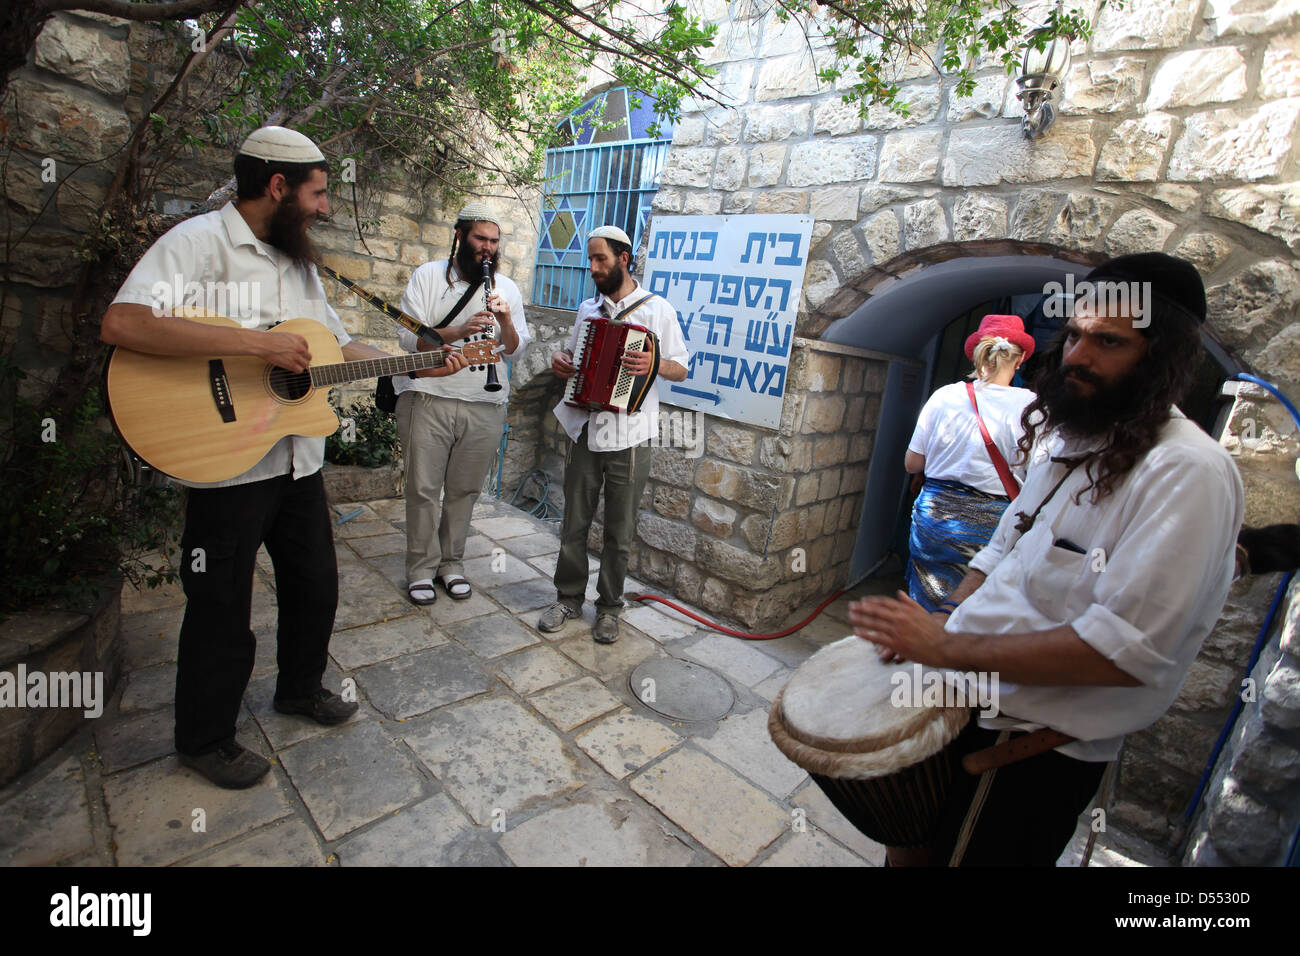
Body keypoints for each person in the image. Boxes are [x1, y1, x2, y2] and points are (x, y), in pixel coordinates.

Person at [100, 126, 467, 789]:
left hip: (296, 462)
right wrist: (254, 348)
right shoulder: (199, 244)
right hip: (229, 464)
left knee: (315, 586)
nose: (325, 208)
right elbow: (124, 324)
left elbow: (335, 348)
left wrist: (419, 368)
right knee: (220, 606)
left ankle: (299, 689)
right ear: (278, 187)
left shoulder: (298, 262)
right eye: (319, 194)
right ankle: (204, 738)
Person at [849, 252, 1244, 866]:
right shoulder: (1072, 438)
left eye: (1108, 342)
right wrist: (947, 618)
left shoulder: (1186, 470)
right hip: (970, 703)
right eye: (1078, 335)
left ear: (1164, 354)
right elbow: (1005, 543)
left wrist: (948, 648)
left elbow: (1121, 651)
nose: (1079, 356)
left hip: (1029, 751)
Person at [539, 225, 690, 644]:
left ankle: (608, 608)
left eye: (600, 259)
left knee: (618, 531)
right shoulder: (588, 310)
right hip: (586, 427)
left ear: (624, 258)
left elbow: (682, 366)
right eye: (590, 259)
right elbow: (571, 355)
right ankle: (568, 599)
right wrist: (560, 360)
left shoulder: (657, 310)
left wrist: (653, 364)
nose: (592, 267)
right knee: (573, 521)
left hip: (631, 432)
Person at [394, 202, 531, 606]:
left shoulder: (507, 288)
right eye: (480, 239)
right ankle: (420, 569)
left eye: (493, 241)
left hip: (484, 404)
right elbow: (408, 339)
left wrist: (504, 320)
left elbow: (514, 351)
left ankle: (450, 565)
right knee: (422, 489)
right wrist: (459, 329)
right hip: (429, 398)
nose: (487, 248)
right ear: (460, 236)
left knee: (465, 490)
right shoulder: (427, 277)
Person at [905, 314, 1036, 612]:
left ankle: (921, 649)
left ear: (977, 355)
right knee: (976, 605)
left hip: (935, 519)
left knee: (928, 598)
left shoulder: (944, 396)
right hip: (993, 525)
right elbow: (1043, 476)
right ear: (1021, 359)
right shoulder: (1034, 408)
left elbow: (912, 464)